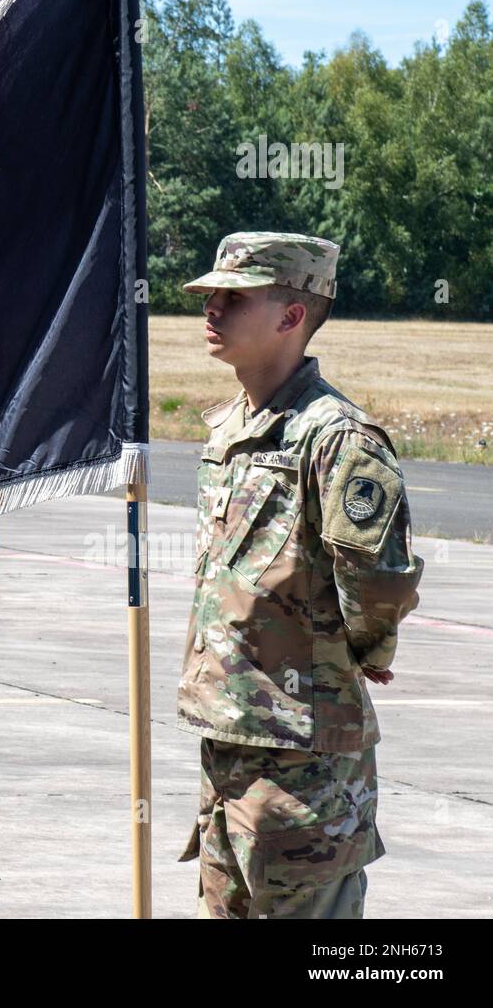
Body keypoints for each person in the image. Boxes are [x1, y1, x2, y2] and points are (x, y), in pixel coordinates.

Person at [176, 231, 424, 919]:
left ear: (291, 316)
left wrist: (366, 648)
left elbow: (379, 578)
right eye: (211, 295)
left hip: (306, 761)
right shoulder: (231, 429)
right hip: (231, 746)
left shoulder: (336, 437)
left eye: (235, 296)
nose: (212, 308)